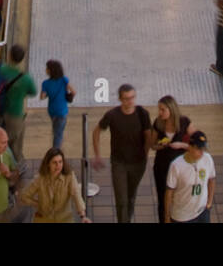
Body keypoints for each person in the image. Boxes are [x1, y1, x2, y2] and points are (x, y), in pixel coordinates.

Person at [92, 84, 153, 225]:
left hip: (138, 163)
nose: (130, 101)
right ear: (120, 99)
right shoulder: (112, 115)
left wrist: (144, 155)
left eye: (132, 97)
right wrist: (97, 155)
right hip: (119, 163)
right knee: (121, 200)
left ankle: (127, 220)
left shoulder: (142, 113)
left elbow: (148, 136)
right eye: (126, 98)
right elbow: (96, 131)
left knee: (131, 197)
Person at [0, 44, 36, 166]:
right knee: (15, 144)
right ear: (22, 59)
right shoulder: (25, 79)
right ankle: (14, 168)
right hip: (15, 114)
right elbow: (33, 92)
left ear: (9, 55)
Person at [150, 96, 193, 223]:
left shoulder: (184, 122)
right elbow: (152, 145)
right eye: (159, 109)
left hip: (181, 168)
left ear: (171, 109)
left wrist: (181, 145)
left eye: (163, 110)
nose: (160, 112)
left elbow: (199, 143)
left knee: (180, 197)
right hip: (162, 168)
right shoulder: (158, 123)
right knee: (163, 199)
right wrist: (161, 145)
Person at [20, 148, 90, 223]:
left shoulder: (69, 176)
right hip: (44, 218)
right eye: (54, 162)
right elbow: (24, 196)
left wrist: (83, 216)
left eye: (60, 162)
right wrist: (38, 204)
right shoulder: (39, 179)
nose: (58, 166)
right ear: (48, 164)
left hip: (65, 219)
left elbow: (76, 195)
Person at [165, 131, 215, 224]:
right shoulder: (176, 165)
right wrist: (167, 217)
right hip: (182, 217)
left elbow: (211, 179)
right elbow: (169, 192)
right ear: (190, 147)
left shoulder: (207, 159)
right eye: (199, 149)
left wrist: (209, 202)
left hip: (202, 213)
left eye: (203, 149)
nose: (202, 153)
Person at [40, 60, 73, 151]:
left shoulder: (45, 83)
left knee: (57, 132)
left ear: (50, 70)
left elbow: (42, 97)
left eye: (47, 68)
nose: (45, 70)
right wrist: (69, 95)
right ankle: (56, 152)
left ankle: (58, 151)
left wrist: (49, 93)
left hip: (52, 111)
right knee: (58, 134)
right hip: (62, 111)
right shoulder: (64, 80)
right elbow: (73, 91)